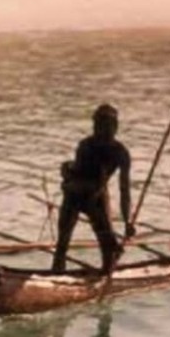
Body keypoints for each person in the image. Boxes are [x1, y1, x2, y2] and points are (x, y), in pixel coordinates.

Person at [52, 104, 135, 273]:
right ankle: (57, 276)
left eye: (107, 125)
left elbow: (124, 189)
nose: (101, 130)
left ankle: (105, 273)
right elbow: (80, 180)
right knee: (62, 243)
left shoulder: (121, 153)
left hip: (96, 196)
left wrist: (127, 220)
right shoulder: (86, 145)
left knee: (108, 250)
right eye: (99, 125)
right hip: (75, 195)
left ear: (115, 126)